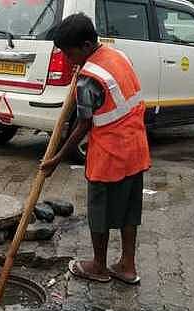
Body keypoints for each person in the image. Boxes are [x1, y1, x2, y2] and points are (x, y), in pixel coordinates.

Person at [40, 13, 151, 285]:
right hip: (136, 147)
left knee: (99, 212)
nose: (67, 59)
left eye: (69, 53)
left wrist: (56, 159)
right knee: (128, 210)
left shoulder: (88, 79)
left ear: (87, 46)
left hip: (110, 154)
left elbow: (82, 126)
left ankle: (99, 266)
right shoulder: (118, 56)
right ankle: (127, 265)